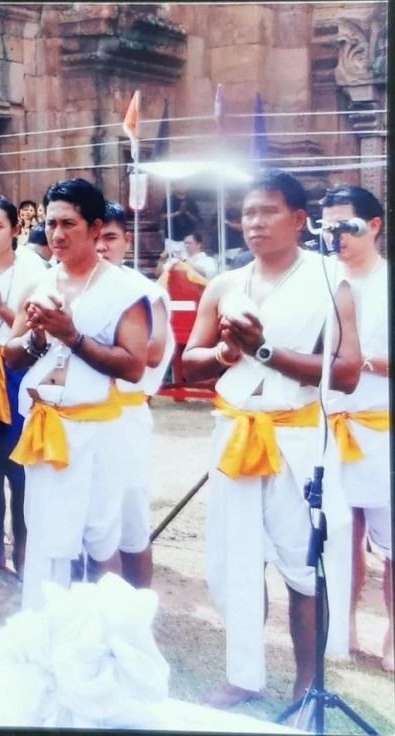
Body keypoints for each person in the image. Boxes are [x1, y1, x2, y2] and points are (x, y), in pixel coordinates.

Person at [181, 169, 361, 708]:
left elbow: (346, 372)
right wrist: (223, 355)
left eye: (268, 212)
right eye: (247, 213)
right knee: (235, 561)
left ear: (299, 219)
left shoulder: (330, 279)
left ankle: (309, 681)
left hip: (299, 440)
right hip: (236, 433)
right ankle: (243, 676)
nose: (254, 223)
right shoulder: (224, 284)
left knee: (305, 564)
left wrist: (263, 350)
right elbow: (188, 366)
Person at [3, 178, 149, 611]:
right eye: (51, 223)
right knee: (47, 534)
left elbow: (133, 365)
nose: (57, 234)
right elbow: (10, 355)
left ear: (94, 227)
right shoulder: (38, 285)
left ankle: (105, 642)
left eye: (69, 223)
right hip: (45, 427)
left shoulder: (125, 291)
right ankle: (46, 636)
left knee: (101, 538)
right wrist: (37, 341)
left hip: (98, 431)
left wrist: (72, 336)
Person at [318, 185, 391, 672]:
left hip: (383, 426)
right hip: (329, 425)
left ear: (375, 225)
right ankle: (342, 626)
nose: (338, 237)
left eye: (348, 226)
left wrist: (356, 362)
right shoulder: (318, 282)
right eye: (328, 229)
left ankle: (392, 637)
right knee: (341, 532)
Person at [94, 201, 175, 589]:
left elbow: (152, 351)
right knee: (92, 520)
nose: (101, 247)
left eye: (110, 238)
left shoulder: (143, 292)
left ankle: (138, 609)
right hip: (81, 418)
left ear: (126, 240)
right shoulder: (76, 286)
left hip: (125, 417)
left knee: (129, 519)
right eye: (95, 238)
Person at [0, 197, 48, 578]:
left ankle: (25, 549)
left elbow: (32, 327)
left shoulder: (35, 269)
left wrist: (2, 309)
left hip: (17, 368)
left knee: (20, 468)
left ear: (15, 229)